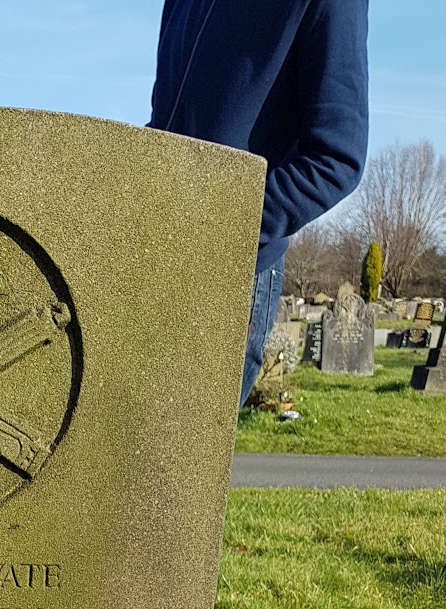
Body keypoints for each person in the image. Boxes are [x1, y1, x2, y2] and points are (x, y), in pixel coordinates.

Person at [150, 0, 369, 407]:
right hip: (149, 256)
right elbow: (165, 128)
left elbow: (337, 159)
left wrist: (217, 227)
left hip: (231, 273)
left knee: (178, 465)